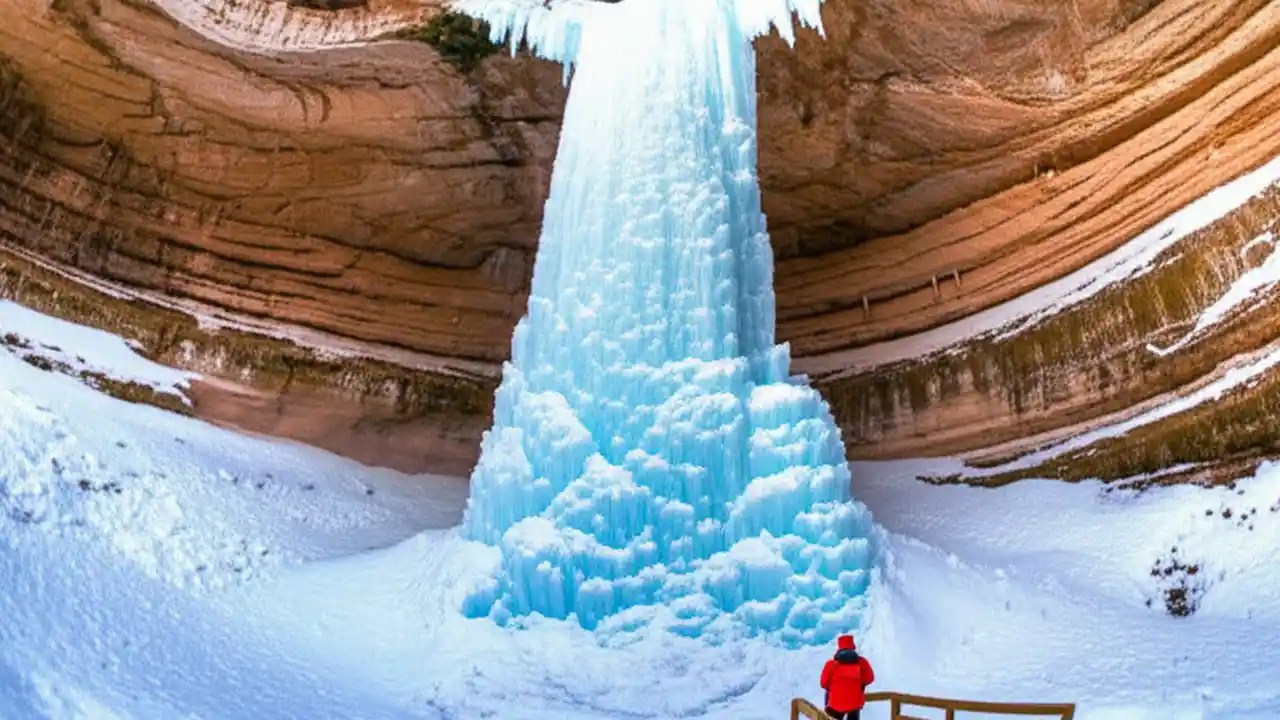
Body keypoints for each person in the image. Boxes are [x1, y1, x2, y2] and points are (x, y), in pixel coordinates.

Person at [819, 634, 875, 720]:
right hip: (855, 704)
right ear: (852, 647)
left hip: (834, 705)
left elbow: (823, 683)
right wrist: (858, 684)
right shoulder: (861, 662)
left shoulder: (831, 664)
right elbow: (870, 678)